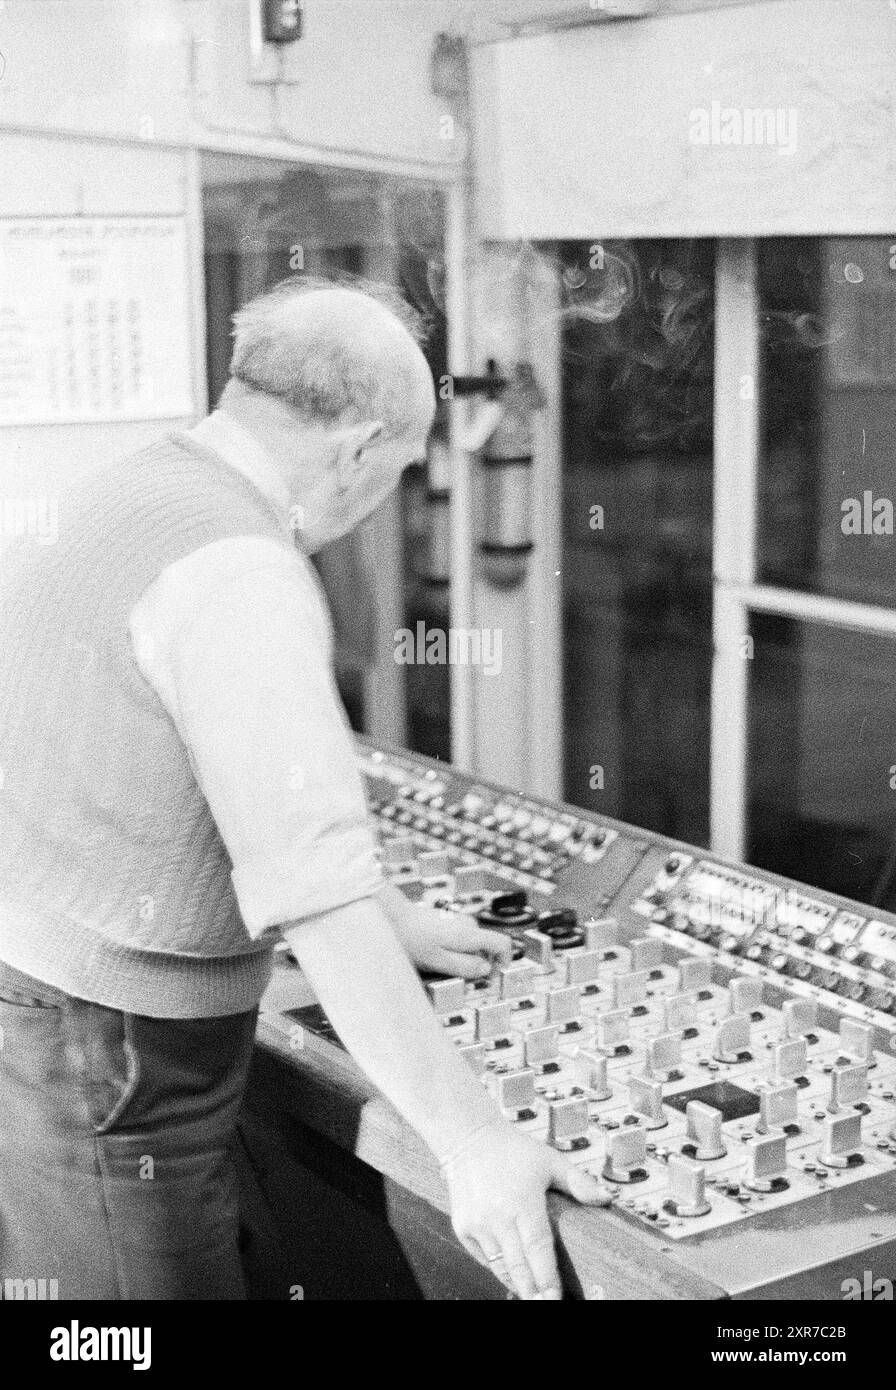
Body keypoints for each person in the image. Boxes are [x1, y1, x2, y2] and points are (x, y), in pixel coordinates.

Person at [0, 275, 608, 1302]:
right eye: (400, 470)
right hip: (113, 1048)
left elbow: (140, 766)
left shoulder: (129, 490)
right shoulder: (242, 570)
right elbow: (314, 897)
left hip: (43, 1001)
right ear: (359, 447)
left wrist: (388, 918)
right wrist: (471, 1143)